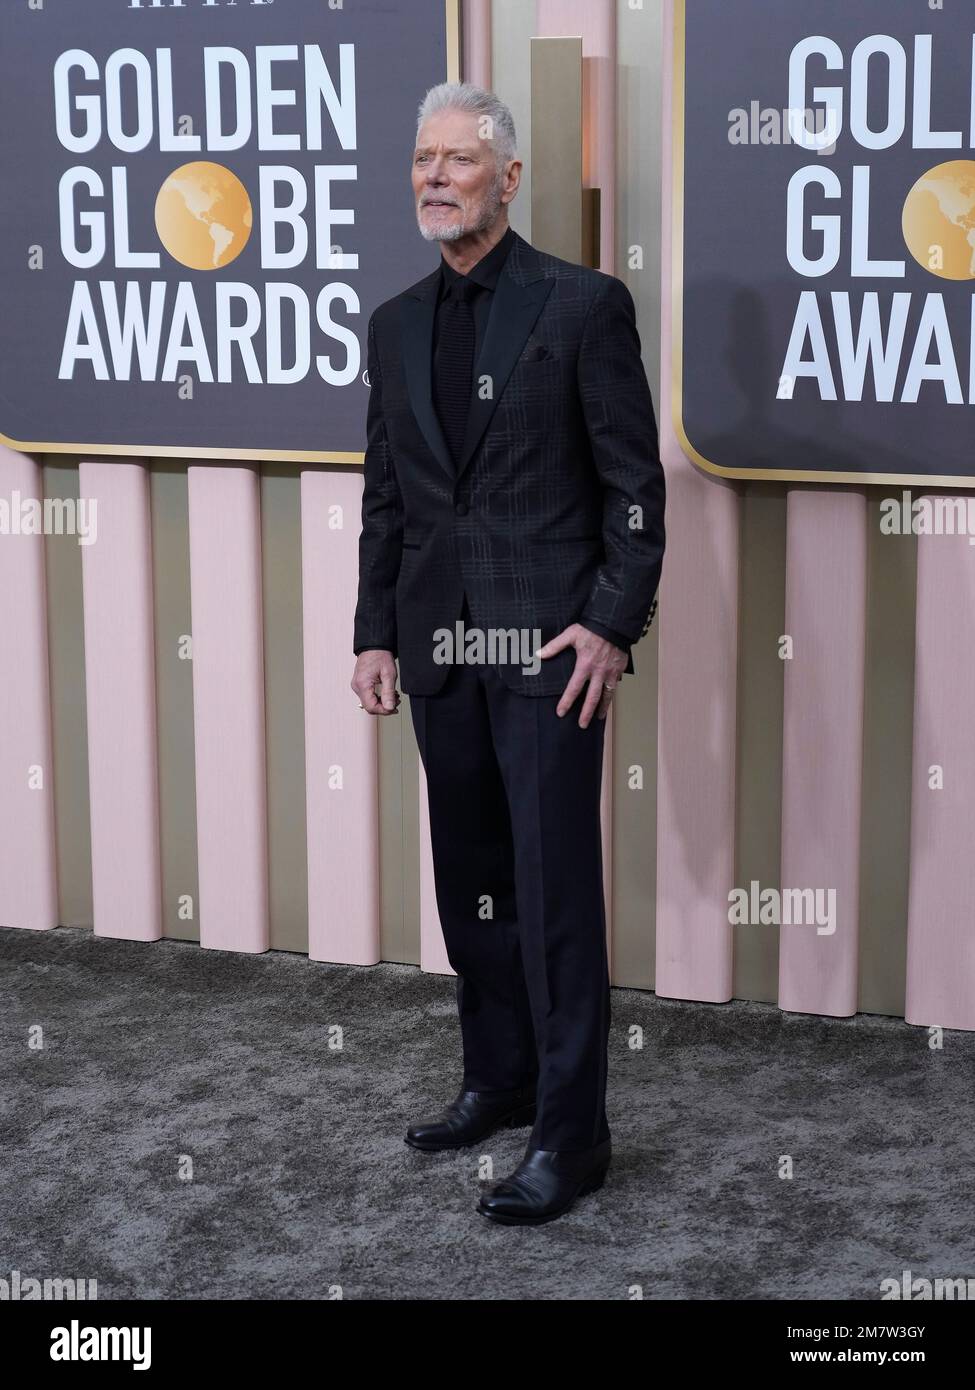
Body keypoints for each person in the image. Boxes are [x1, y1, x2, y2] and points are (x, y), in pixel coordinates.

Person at [351, 81, 665, 1225]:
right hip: (438, 645)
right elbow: (388, 496)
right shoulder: (391, 322)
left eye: (459, 161)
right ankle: (501, 1077)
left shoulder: (583, 306)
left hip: (548, 654)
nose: (435, 176)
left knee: (554, 893)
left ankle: (573, 1138)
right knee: (473, 880)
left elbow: (634, 483)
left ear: (510, 176)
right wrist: (375, 630)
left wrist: (611, 622)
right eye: (423, 159)